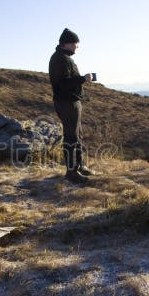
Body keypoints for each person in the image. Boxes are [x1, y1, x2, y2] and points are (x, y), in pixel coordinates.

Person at [49, 28, 95, 184]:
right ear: (67, 43)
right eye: (76, 44)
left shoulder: (63, 58)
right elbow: (63, 83)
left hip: (72, 101)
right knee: (71, 137)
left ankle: (80, 166)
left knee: (77, 135)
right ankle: (71, 172)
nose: (77, 47)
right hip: (66, 102)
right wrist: (83, 79)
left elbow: (67, 80)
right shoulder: (59, 59)